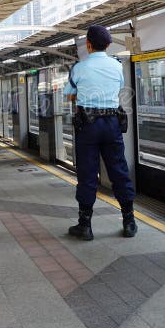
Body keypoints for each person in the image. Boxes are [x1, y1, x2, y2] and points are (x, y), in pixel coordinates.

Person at [64, 25, 136, 241]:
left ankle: (85, 226)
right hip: (112, 123)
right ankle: (129, 221)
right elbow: (118, 88)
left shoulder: (79, 68)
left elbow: (70, 95)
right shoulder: (116, 67)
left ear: (88, 44)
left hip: (88, 125)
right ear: (108, 45)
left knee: (87, 174)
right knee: (119, 170)